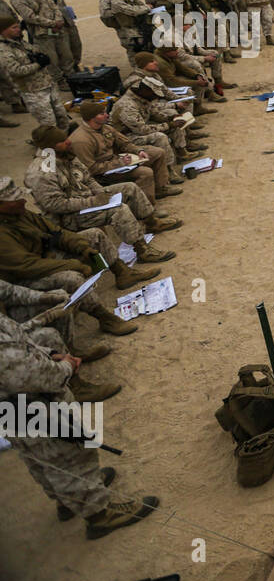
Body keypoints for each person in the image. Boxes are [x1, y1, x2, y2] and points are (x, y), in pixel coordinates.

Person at [1, 305, 160, 538]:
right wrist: (65, 366)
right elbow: (30, 373)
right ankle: (99, 513)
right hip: (31, 408)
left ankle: (67, 500)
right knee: (69, 455)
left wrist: (50, 354)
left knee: (40, 458)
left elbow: (18, 341)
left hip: (15, 412)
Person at [25, 125, 176, 284]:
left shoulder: (66, 155)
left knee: (129, 188)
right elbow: (54, 205)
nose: (68, 142)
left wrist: (101, 193)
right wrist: (93, 202)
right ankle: (131, 263)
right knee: (119, 210)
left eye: (65, 138)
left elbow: (87, 178)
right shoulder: (40, 172)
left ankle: (152, 223)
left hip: (89, 200)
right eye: (62, 141)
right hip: (68, 217)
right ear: (49, 147)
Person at [0, 176, 138, 337]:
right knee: (72, 278)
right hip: (24, 278)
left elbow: (56, 233)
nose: (23, 201)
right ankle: (104, 318)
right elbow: (28, 266)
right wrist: (74, 265)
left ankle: (122, 272)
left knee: (94, 236)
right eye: (15, 200)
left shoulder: (20, 214)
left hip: (44, 258)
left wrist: (81, 246)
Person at [67, 101, 176, 203]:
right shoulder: (81, 140)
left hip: (117, 162)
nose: (106, 115)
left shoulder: (105, 128)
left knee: (158, 152)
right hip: (103, 174)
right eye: (101, 114)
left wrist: (139, 151)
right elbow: (91, 169)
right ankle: (146, 207)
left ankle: (160, 189)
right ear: (90, 118)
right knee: (145, 172)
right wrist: (119, 163)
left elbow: (124, 143)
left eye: (104, 112)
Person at [0, 11, 68, 130]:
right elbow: (16, 70)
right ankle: (50, 147)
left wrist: (39, 55)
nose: (18, 29)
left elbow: (33, 51)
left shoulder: (19, 42)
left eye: (18, 26)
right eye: (14, 27)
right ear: (3, 30)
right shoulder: (3, 49)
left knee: (62, 117)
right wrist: (38, 64)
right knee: (49, 125)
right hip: (33, 91)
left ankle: (65, 141)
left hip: (47, 84)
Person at [10, 0, 71, 90]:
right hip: (42, 33)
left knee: (66, 54)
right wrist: (52, 24)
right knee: (52, 59)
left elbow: (54, 7)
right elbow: (30, 17)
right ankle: (59, 81)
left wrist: (58, 20)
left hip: (57, 29)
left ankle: (71, 76)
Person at [97, 0, 154, 69]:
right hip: (126, 30)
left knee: (145, 48)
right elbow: (107, 14)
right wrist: (124, 13)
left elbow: (141, 6)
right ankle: (138, 72)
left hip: (137, 27)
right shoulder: (111, 0)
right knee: (134, 50)